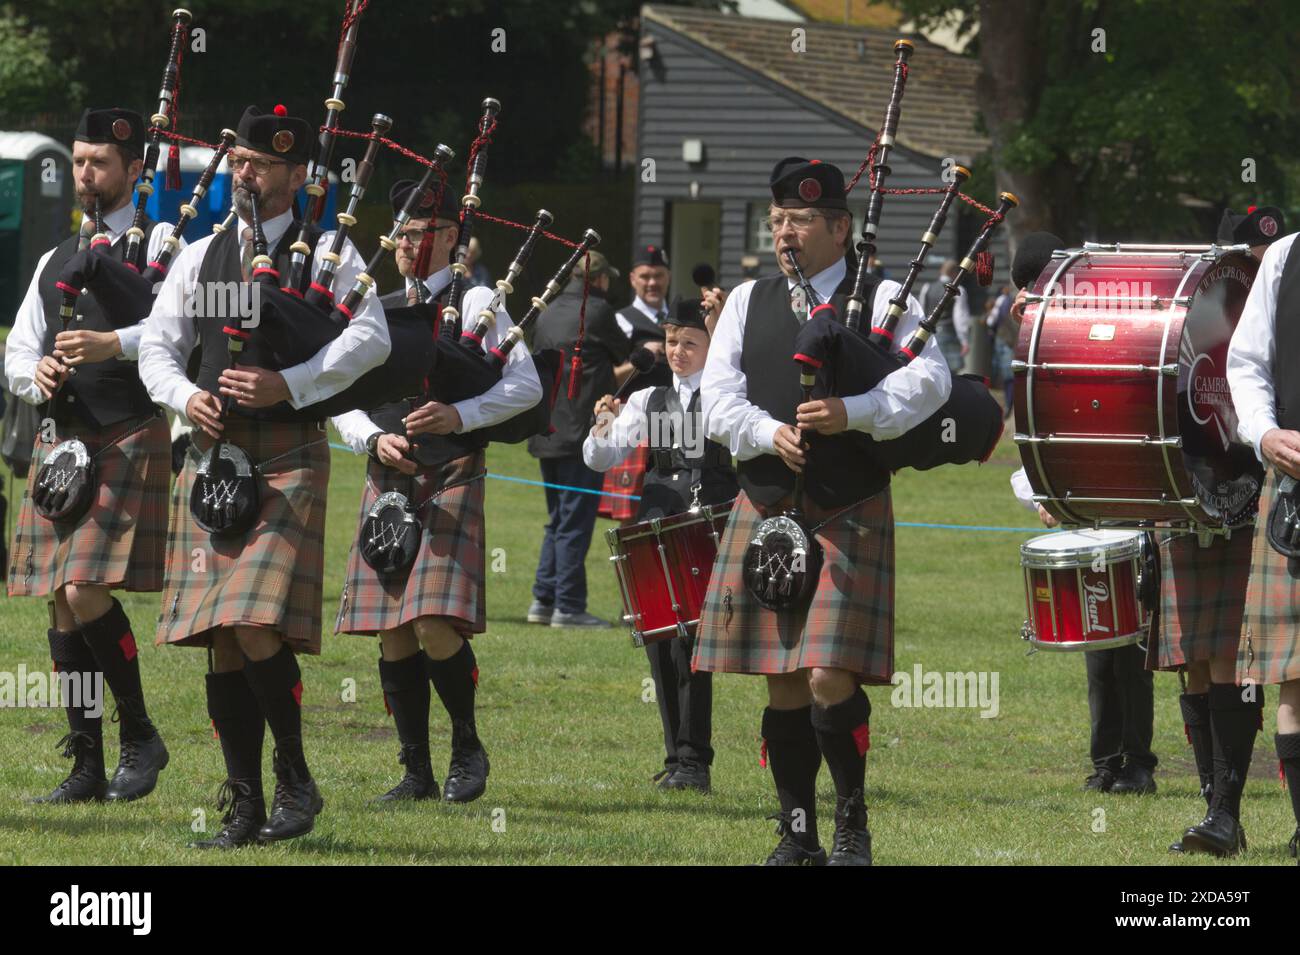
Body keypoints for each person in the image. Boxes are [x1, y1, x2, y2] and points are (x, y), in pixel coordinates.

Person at [139, 104, 391, 848]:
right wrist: (188, 397)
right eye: (241, 162)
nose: (245, 176)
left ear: (297, 176)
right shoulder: (203, 254)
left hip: (286, 453)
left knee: (252, 622)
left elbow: (371, 338)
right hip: (215, 458)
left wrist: (295, 383)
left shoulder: (329, 254)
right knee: (221, 636)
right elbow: (158, 345)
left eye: (262, 166)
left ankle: (295, 776)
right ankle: (245, 803)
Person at [694, 157, 951, 865]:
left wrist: (855, 412)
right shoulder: (748, 300)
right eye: (777, 220)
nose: (785, 233)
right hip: (768, 501)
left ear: (840, 228)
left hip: (847, 505)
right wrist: (765, 431)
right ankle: (797, 830)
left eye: (800, 220)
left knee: (826, 674)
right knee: (781, 681)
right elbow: (716, 399)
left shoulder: (886, 298)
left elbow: (932, 382)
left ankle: (852, 824)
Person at [332, 178, 541, 804]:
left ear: (453, 238)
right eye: (401, 235)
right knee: (392, 630)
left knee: (430, 622)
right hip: (386, 476)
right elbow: (335, 391)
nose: (408, 247)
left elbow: (525, 386)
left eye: (423, 235)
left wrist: (461, 415)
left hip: (449, 474)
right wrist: (371, 439)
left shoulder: (478, 300)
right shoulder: (376, 304)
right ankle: (415, 771)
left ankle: (466, 745)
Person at [5, 108, 176, 805]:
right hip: (61, 441)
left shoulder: (165, 242)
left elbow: (178, 328)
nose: (84, 174)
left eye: (98, 162)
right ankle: (86, 762)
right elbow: (19, 345)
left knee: (83, 589)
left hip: (127, 428)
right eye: (77, 161)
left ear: (135, 169)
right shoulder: (54, 257)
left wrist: (115, 344)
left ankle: (139, 730)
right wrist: (34, 374)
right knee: (62, 606)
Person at [1007, 230, 1159, 798]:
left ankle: (1138, 761)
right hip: (1079, 494)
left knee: (1131, 637)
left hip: (1125, 487)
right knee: (1098, 639)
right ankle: (1106, 760)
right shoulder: (1034, 341)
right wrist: (1042, 493)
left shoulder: (1098, 322)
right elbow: (1027, 427)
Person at [584, 301, 737, 793]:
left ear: (711, 347)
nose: (678, 351)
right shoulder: (649, 398)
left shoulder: (725, 395)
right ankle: (677, 759)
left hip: (706, 527)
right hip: (654, 527)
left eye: (690, 342)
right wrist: (602, 423)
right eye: (672, 342)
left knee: (692, 643)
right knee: (660, 641)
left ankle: (695, 761)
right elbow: (600, 457)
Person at [1224, 203, 1300, 864]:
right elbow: (1245, 362)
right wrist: (1265, 431)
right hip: (1296, 490)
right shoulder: (1284, 258)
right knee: (1296, 676)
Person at [526, 250, 631, 628]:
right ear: (598, 280)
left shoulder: (549, 308)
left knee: (557, 519)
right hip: (581, 431)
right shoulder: (597, 311)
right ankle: (568, 606)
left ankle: (544, 599)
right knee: (575, 520)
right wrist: (646, 357)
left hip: (547, 429)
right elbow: (625, 353)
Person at [598, 244, 675, 526]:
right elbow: (609, 378)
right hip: (637, 426)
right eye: (645, 276)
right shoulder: (621, 321)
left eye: (658, 275)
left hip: (676, 423)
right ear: (633, 279)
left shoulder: (679, 319)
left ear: (668, 276)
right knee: (631, 516)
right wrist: (645, 357)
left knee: (675, 505)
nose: (652, 283)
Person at [919, 259, 969, 374]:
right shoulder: (959, 290)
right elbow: (960, 317)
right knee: (950, 375)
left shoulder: (926, 288)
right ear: (954, 273)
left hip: (929, 336)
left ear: (941, 271)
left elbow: (922, 313)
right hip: (949, 335)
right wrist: (964, 340)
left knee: (932, 372)